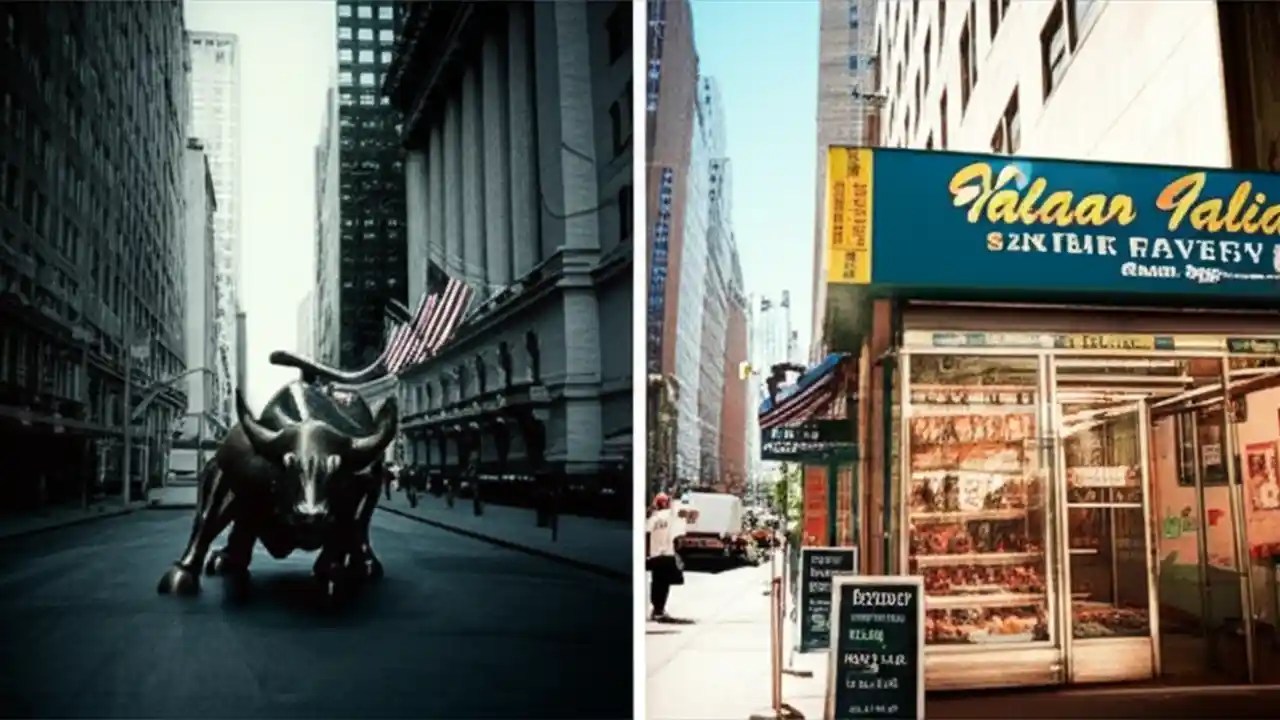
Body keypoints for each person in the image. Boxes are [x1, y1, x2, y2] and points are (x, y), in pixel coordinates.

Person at [646, 492, 696, 622]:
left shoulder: (653, 518)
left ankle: (656, 609)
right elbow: (689, 517)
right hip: (667, 554)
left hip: (655, 555)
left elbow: (646, 533)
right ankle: (659, 610)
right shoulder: (671, 516)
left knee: (656, 582)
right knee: (664, 584)